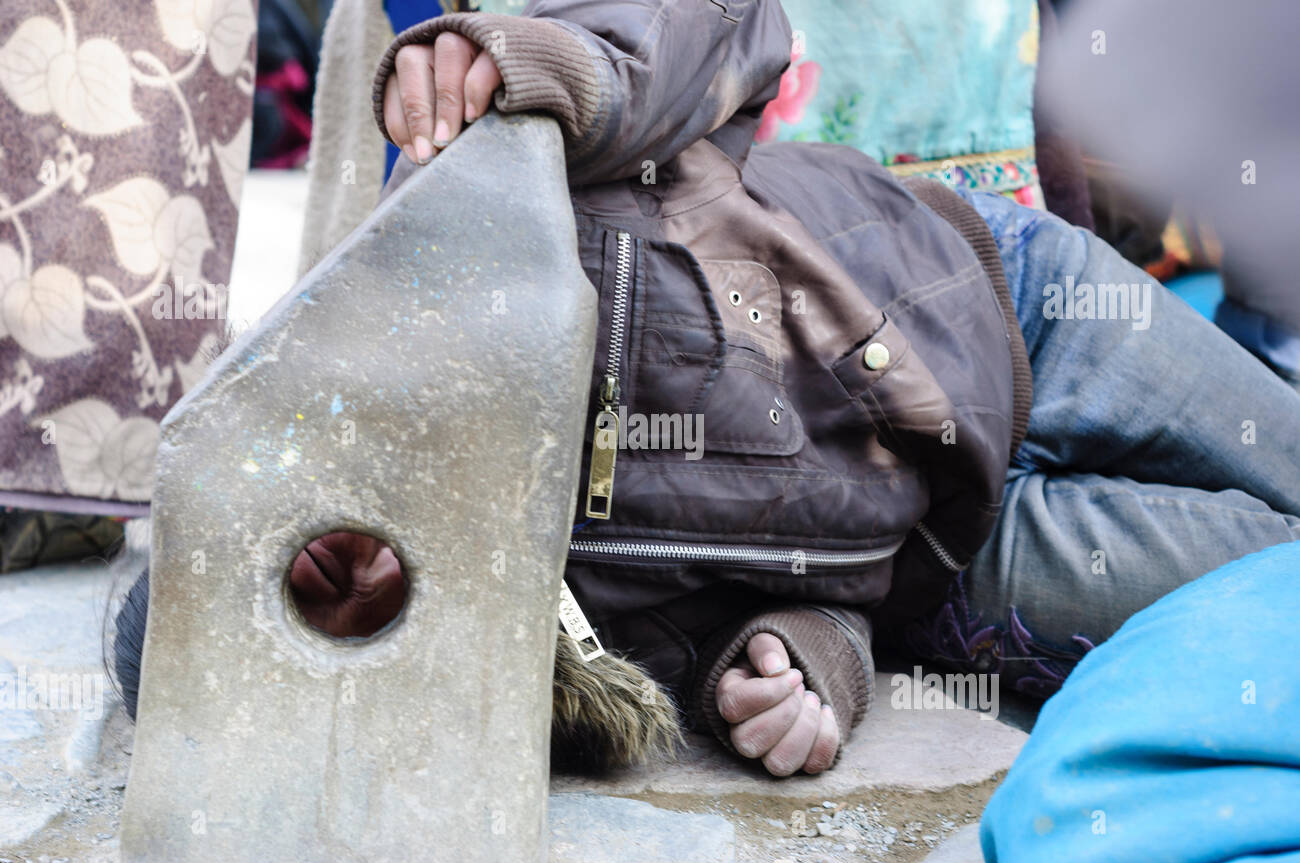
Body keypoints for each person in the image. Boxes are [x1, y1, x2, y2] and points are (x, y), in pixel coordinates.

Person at [114, 0, 1300, 778]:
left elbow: (730, 24)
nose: (350, 572)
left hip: (1003, 304)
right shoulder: (542, 652)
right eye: (333, 617)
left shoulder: (470, 201)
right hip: (957, 559)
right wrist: (796, 664)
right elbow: (753, 617)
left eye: (305, 560)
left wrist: (551, 63)